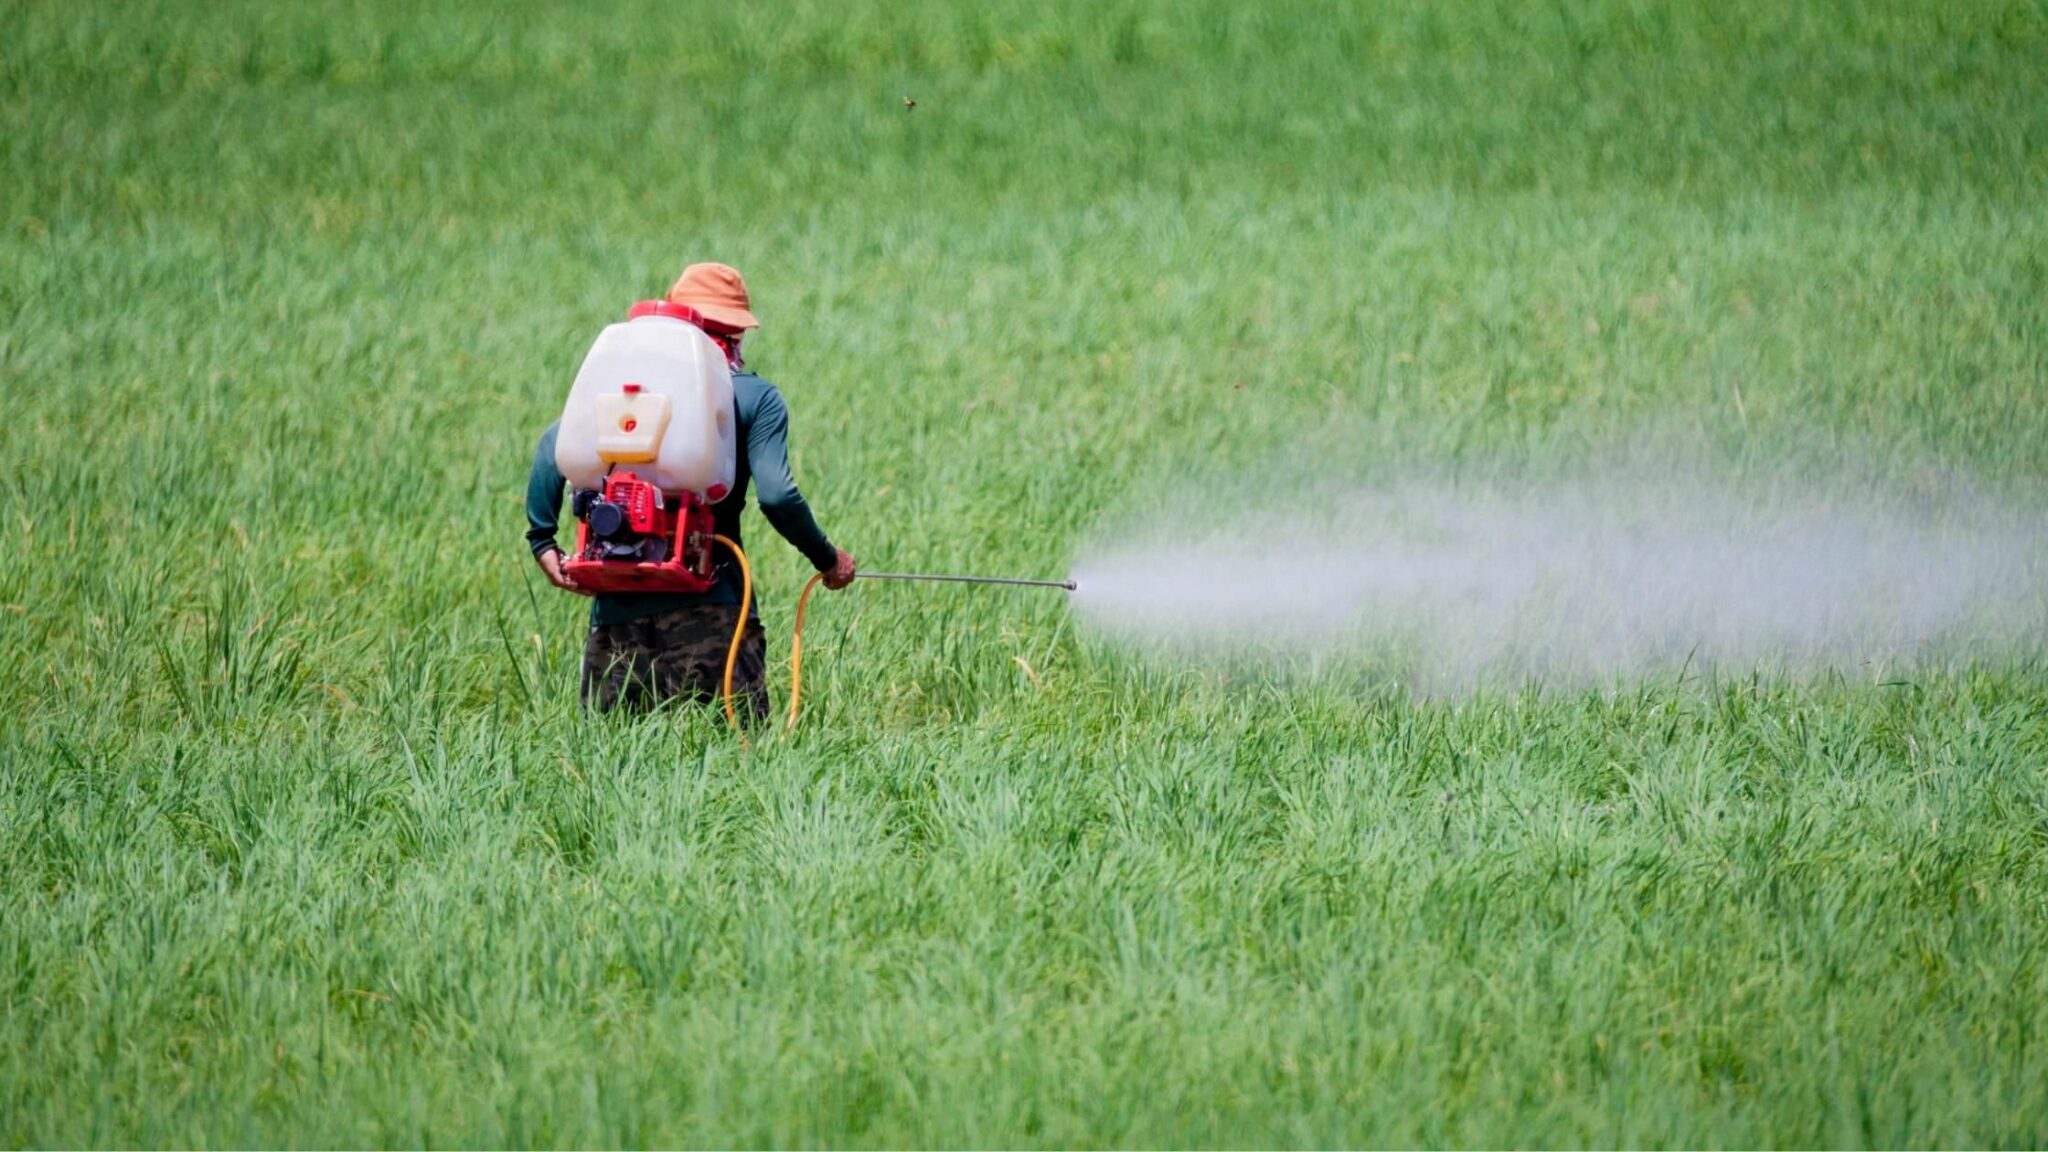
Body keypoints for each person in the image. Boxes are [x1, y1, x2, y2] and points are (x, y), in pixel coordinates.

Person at [525, 262, 857, 715]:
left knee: (614, 771)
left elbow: (553, 445)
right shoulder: (755, 397)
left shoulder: (627, 394)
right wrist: (827, 558)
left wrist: (543, 542)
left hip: (616, 617)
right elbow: (778, 496)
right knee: (736, 769)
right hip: (715, 612)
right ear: (736, 331)